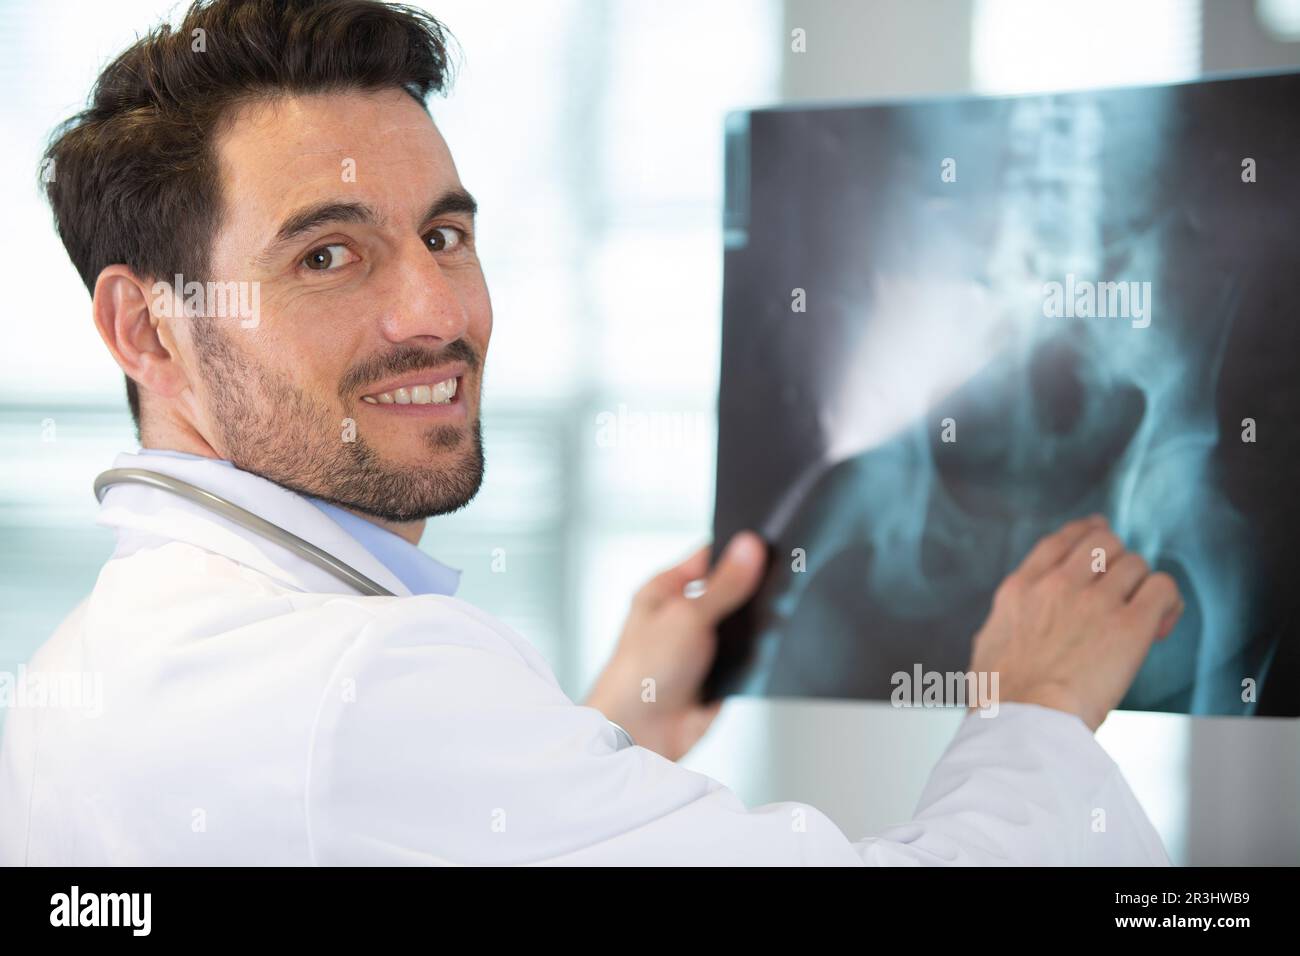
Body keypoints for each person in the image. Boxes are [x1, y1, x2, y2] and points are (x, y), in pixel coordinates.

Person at [0, 0, 1182, 865]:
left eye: (444, 236)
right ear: (146, 328)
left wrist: (614, 725)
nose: (438, 314)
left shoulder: (85, 669)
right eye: (327, 254)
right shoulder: (361, 682)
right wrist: (1033, 717)